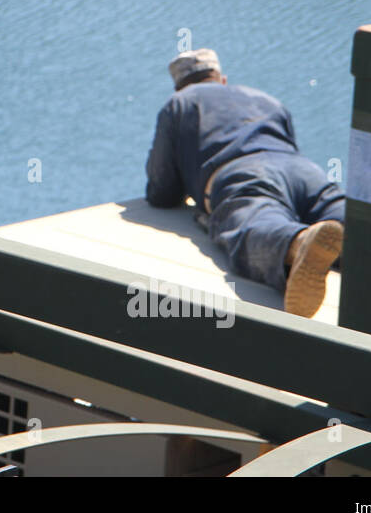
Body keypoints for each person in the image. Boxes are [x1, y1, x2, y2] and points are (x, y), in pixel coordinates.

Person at [144, 49, 344, 317]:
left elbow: (163, 190)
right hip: (303, 171)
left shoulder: (179, 102)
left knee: (256, 221)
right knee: (348, 217)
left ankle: (297, 243)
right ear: (221, 79)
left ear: (179, 85)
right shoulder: (265, 98)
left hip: (242, 173)